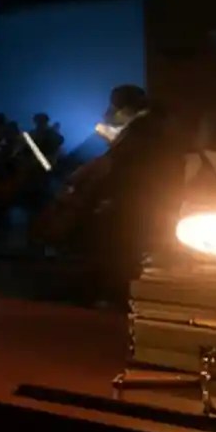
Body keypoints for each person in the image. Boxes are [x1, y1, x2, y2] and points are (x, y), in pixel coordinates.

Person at [32, 85, 183, 299]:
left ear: (125, 107)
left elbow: (124, 168)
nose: (109, 112)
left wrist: (96, 192)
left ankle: (109, 292)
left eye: (113, 106)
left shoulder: (143, 129)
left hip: (136, 202)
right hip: (143, 198)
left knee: (112, 244)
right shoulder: (149, 126)